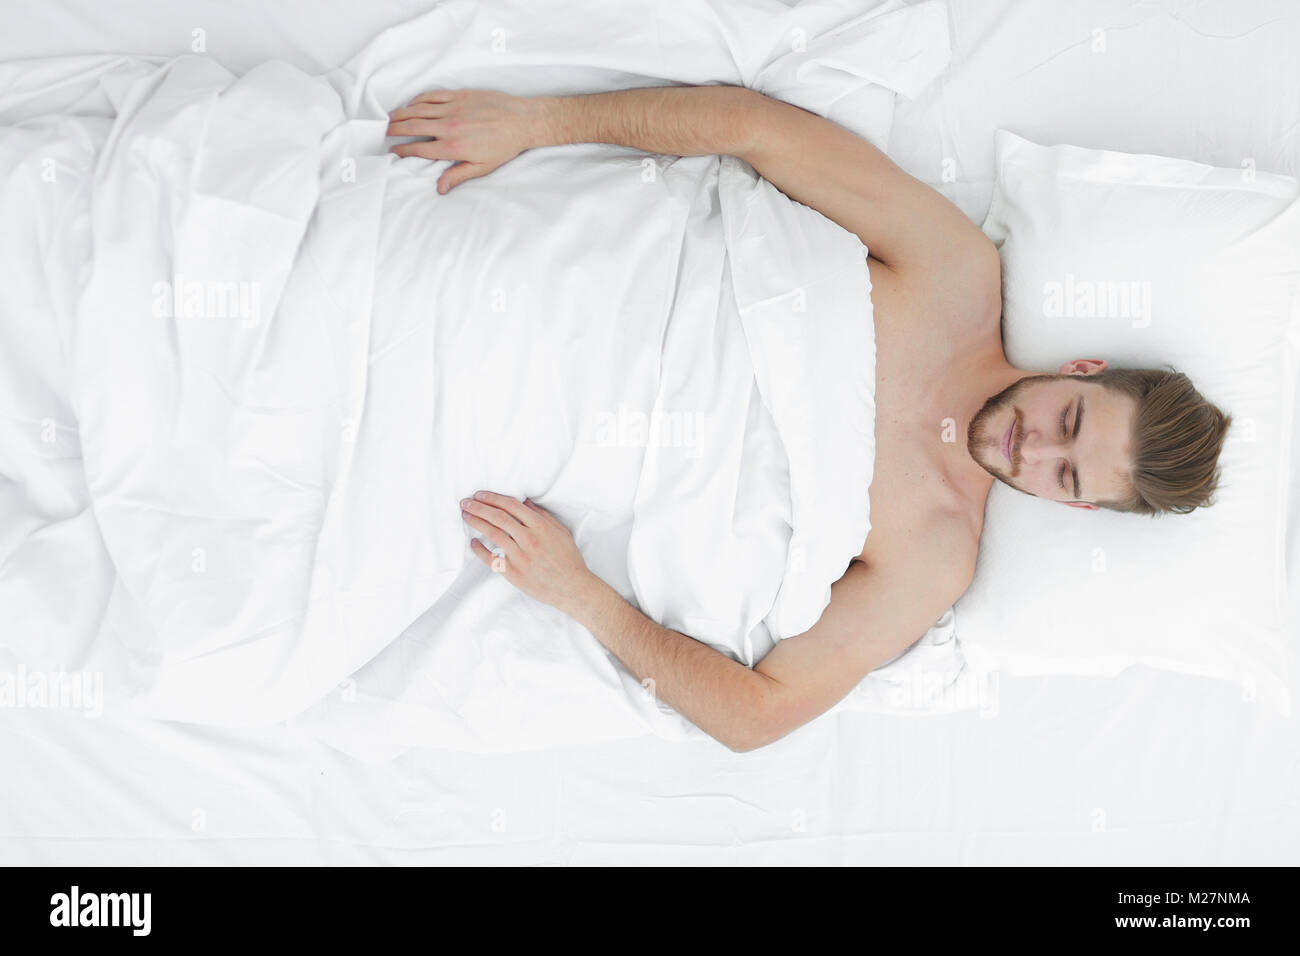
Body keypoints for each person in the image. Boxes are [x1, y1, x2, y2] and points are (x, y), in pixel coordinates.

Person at [386, 86, 1232, 752]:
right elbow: (752, 128)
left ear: (1074, 506)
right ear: (1080, 369)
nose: (1036, 445)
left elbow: (759, 716)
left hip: (548, 446)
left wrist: (580, 594)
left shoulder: (935, 554)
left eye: (1066, 474)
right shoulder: (955, 276)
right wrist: (536, 122)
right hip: (600, 288)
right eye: (1070, 417)